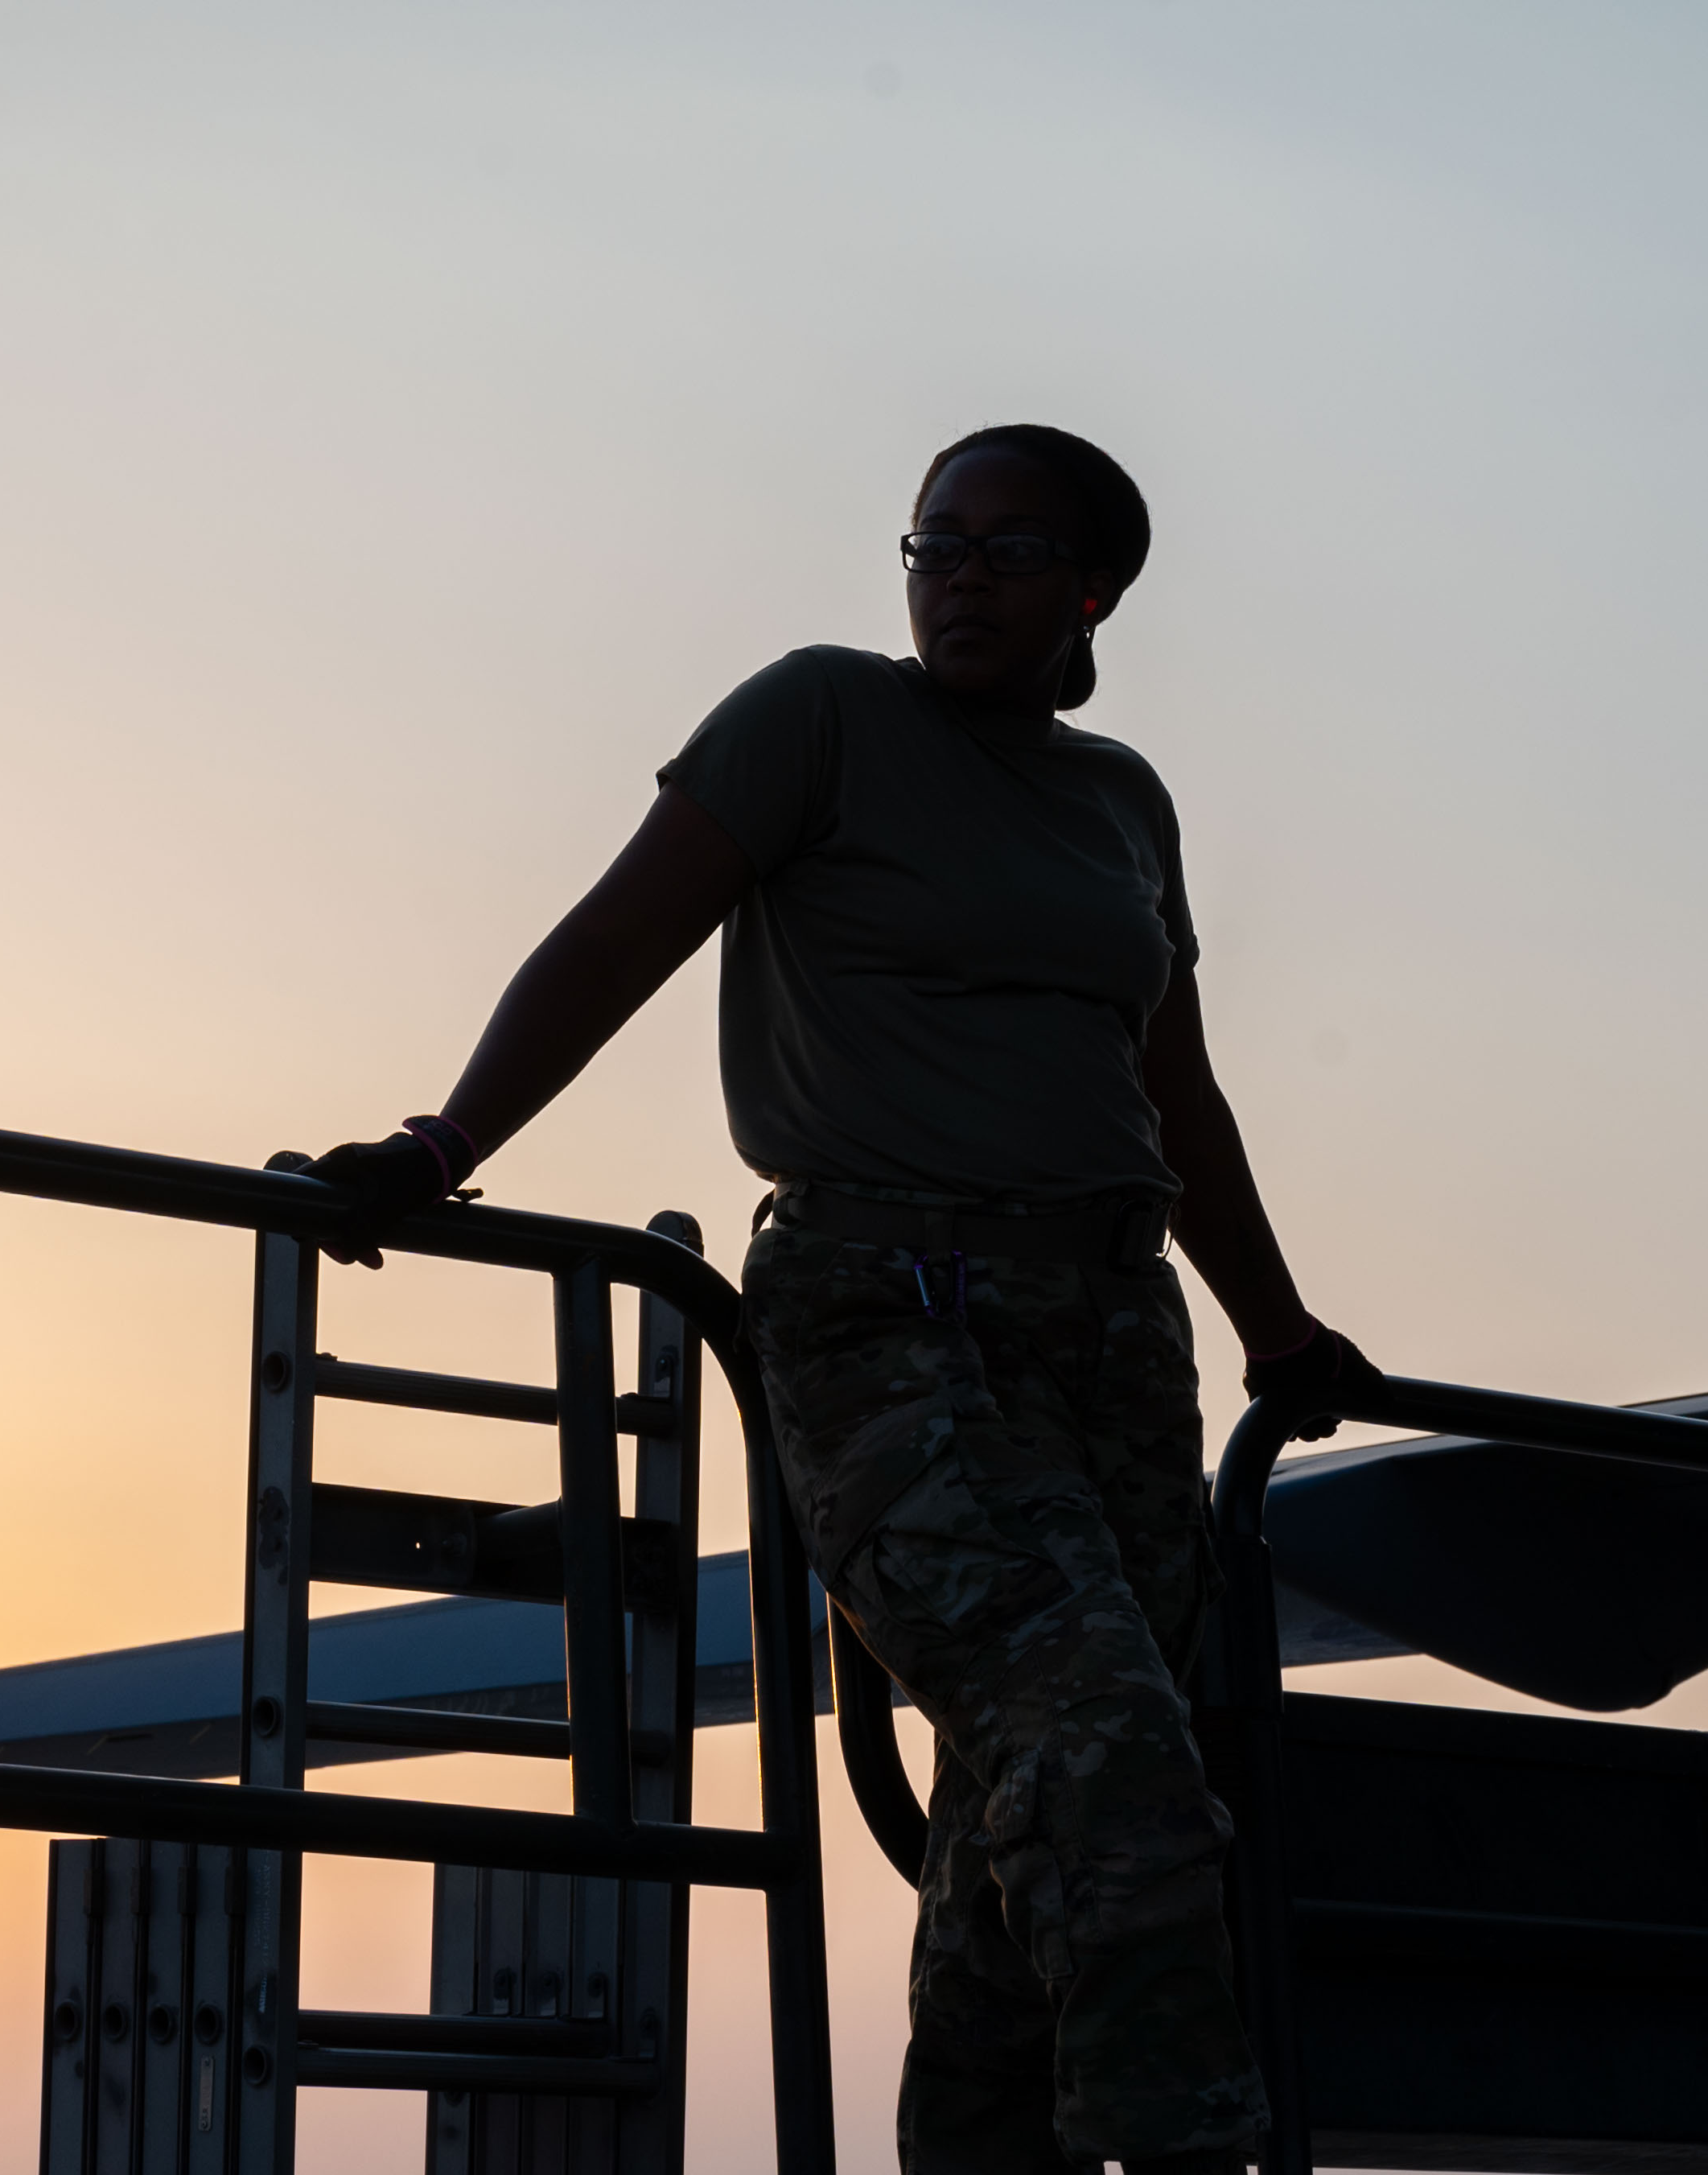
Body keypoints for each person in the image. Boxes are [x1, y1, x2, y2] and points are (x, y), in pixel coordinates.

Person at [306, 423, 1375, 2175]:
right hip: (890, 1320)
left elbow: (1172, 1088)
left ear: (1093, 591)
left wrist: (1278, 1325)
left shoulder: (1122, 802)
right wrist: (441, 1144)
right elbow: (614, 938)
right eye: (934, 543)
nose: (959, 577)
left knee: (1021, 1806)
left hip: (1116, 1342)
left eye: (1008, 549)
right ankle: (1190, 2152)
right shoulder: (819, 715)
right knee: (1103, 1756)